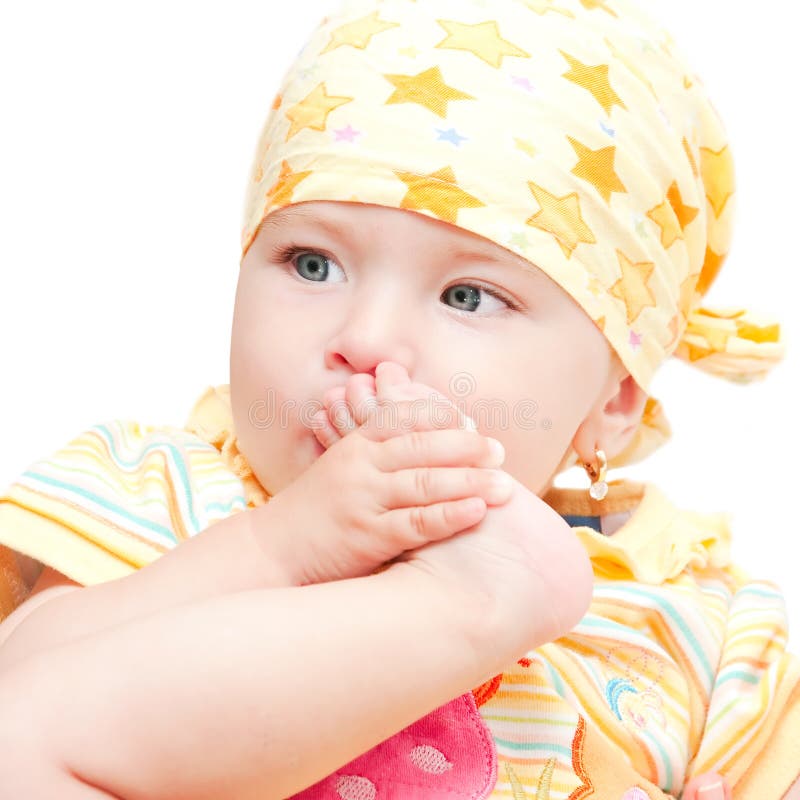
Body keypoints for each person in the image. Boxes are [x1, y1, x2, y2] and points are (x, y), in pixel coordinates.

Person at [0, 0, 796, 797]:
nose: (367, 337)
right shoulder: (160, 489)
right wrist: (283, 547)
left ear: (616, 398)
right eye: (313, 264)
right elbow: (19, 685)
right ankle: (471, 604)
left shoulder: (704, 632)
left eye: (469, 296)